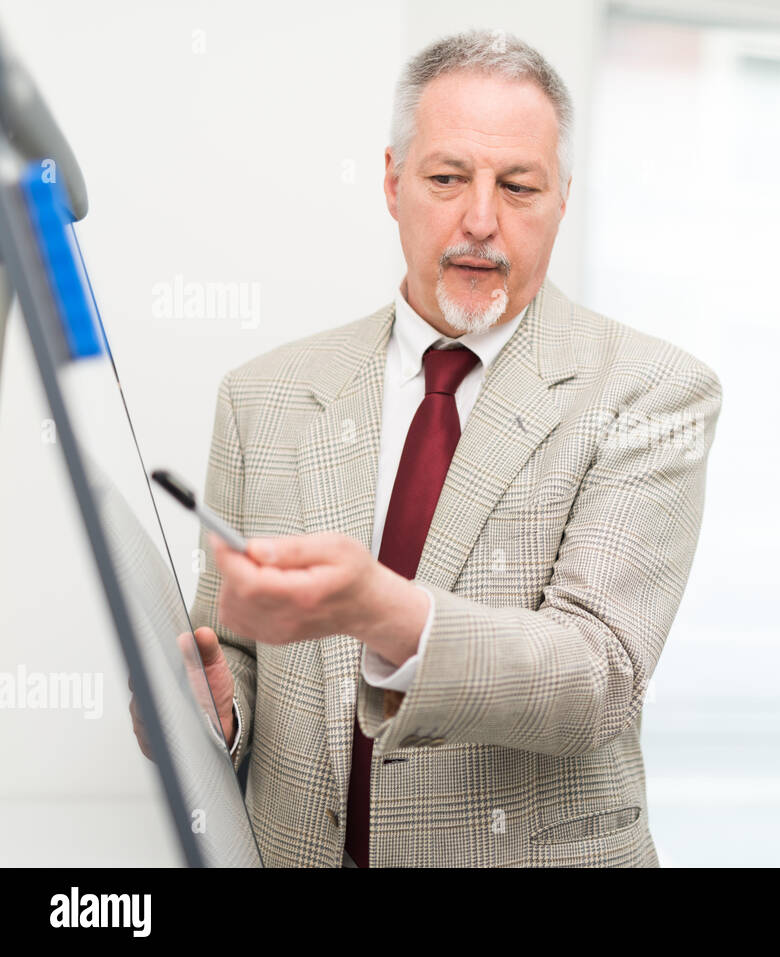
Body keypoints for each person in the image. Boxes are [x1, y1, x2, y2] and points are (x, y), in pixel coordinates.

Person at [150, 29, 722, 867]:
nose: (481, 221)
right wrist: (211, 711)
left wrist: (378, 607)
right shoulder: (260, 396)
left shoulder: (656, 393)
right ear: (393, 182)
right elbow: (232, 643)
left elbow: (592, 678)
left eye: (518, 186)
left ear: (563, 197)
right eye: (448, 178)